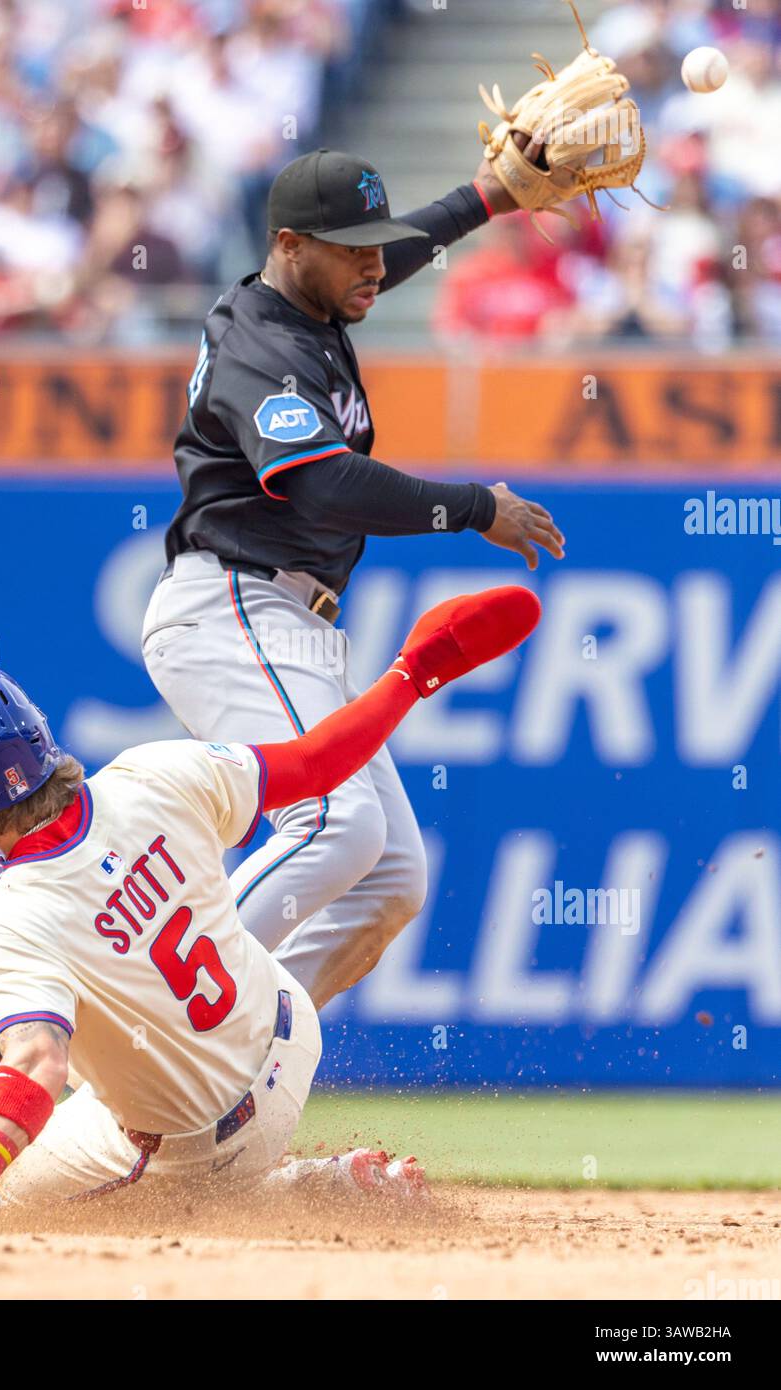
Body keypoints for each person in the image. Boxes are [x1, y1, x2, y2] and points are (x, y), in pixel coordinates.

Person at [0, 586, 540, 1215]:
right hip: (291, 1037)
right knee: (140, 1127)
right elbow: (320, 761)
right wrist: (409, 675)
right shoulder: (153, 772)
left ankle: (299, 1187)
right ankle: (306, 1186)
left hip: (202, 1140)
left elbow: (38, 1061)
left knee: (0, 1219)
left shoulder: (10, 912)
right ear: (37, 729)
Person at [142, 146, 565, 1010]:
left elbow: (390, 253)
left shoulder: (310, 301)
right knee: (334, 823)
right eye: (351, 247)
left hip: (285, 618)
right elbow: (322, 480)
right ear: (291, 245)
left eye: (376, 245)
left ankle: (244, 1065)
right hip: (233, 605)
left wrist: (487, 195)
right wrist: (476, 507)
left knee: (392, 874)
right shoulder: (261, 342)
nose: (374, 263)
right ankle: (159, 1024)